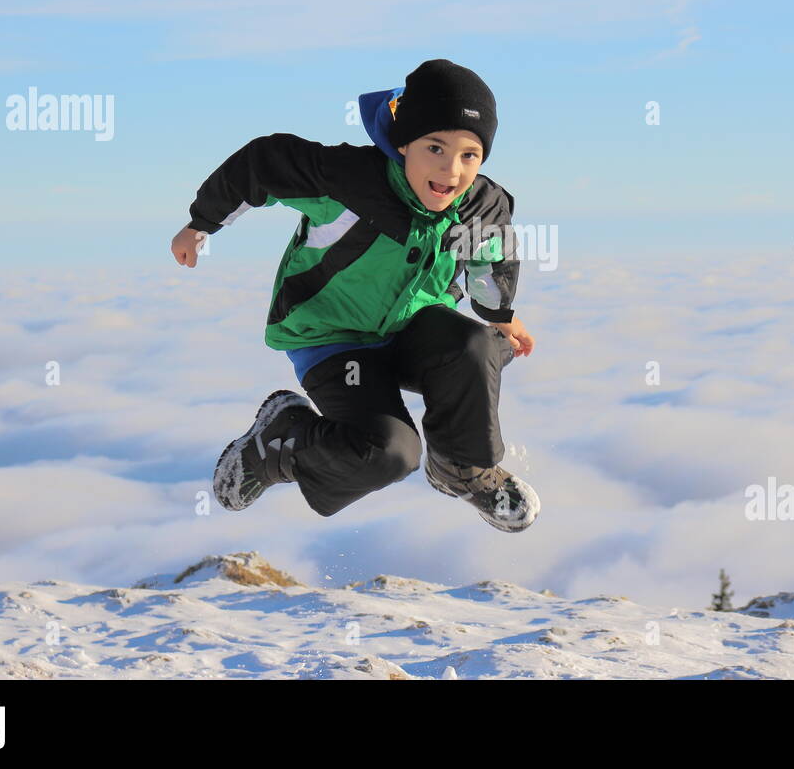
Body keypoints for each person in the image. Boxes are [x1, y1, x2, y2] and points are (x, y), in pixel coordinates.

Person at [170, 59, 539, 532]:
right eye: (435, 147)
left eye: (470, 154)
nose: (452, 169)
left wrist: (500, 313)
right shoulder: (346, 181)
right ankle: (281, 443)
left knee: (478, 346)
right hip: (333, 339)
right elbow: (262, 164)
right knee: (389, 454)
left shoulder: (482, 205)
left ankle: (461, 469)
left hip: (411, 329)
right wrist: (203, 222)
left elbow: (491, 257)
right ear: (403, 143)